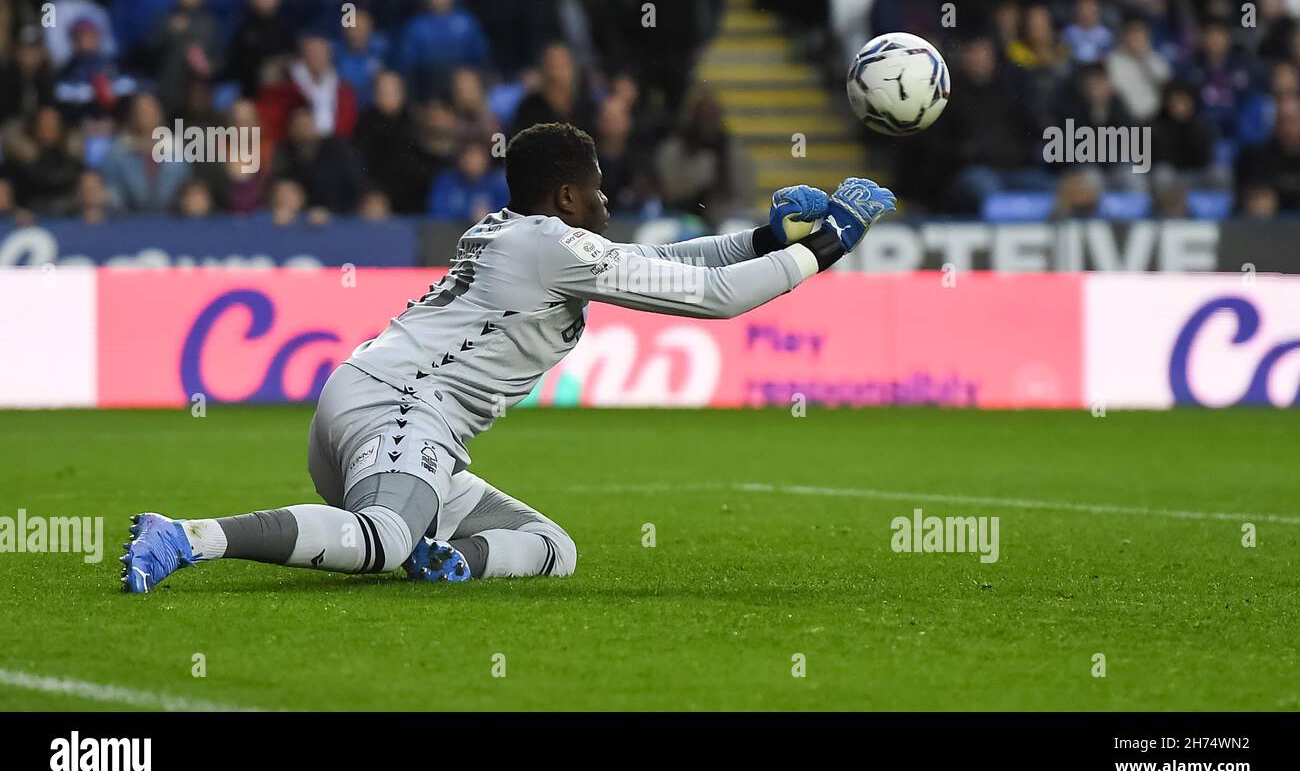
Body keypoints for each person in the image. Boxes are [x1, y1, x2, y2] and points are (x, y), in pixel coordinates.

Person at [119, 123, 896, 591]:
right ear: (565, 198)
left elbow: (680, 266)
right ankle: (188, 536)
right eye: (596, 193)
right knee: (384, 538)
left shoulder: (522, 235)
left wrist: (764, 240)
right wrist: (831, 246)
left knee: (552, 549)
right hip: (398, 410)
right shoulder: (549, 246)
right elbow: (720, 299)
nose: (606, 207)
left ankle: (444, 562)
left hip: (377, 409)